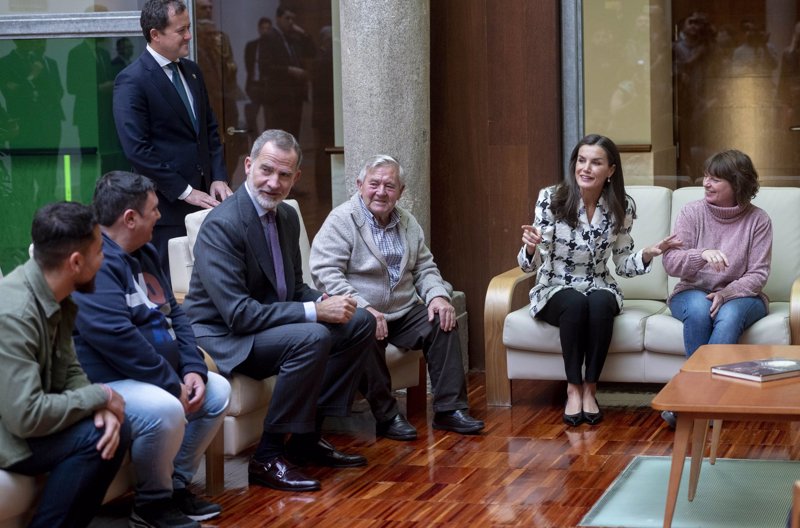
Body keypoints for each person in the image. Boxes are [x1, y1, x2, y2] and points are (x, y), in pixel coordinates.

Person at [183, 129, 375, 492]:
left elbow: (293, 288)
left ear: (296, 178)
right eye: (266, 171)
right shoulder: (221, 225)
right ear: (249, 165)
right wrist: (315, 312)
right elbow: (238, 314)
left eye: (284, 175)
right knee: (313, 334)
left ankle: (305, 438)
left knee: (359, 322)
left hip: (269, 327)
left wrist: (324, 301)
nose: (274, 183)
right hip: (225, 336)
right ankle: (267, 456)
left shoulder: (286, 216)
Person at [72, 171, 231, 528]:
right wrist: (170, 383)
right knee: (165, 408)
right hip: (109, 379)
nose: (160, 216)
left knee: (217, 391)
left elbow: (177, 313)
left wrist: (193, 368)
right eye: (154, 210)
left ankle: (174, 485)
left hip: (156, 373)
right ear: (130, 218)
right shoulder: (94, 262)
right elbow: (116, 338)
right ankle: (151, 505)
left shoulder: (144, 251)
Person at [310, 154, 485, 440]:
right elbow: (325, 272)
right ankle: (387, 416)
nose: (381, 192)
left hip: (403, 310)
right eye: (374, 184)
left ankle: (449, 410)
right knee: (361, 330)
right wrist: (364, 307)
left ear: (400, 192)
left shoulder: (407, 222)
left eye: (390, 186)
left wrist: (438, 296)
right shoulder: (342, 220)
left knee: (442, 318)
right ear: (359, 184)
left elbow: (424, 267)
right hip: (361, 312)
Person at [518, 134, 680, 427]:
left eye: (596, 162)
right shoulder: (552, 199)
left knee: (601, 301)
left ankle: (591, 388)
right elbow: (532, 263)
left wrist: (647, 254)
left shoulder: (621, 205)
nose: (586, 168)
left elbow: (622, 264)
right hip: (554, 286)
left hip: (598, 283)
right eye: (582, 161)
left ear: (611, 170)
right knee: (576, 303)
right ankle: (573, 388)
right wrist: (530, 247)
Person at [0, 201, 130, 528]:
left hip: (17, 420)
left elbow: (69, 369)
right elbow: (26, 416)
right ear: (76, 262)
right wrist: (100, 397)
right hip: (9, 429)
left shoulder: (56, 293)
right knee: (93, 437)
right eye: (100, 251)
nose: (103, 260)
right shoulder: (14, 314)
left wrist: (97, 405)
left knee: (113, 427)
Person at [113, 0, 232, 278]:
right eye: (181, 30)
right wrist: (187, 191)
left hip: (207, 207)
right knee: (172, 290)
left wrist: (218, 177)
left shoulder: (192, 71)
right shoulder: (132, 80)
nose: (189, 36)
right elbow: (137, 150)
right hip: (165, 210)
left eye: (188, 28)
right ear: (155, 34)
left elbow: (209, 130)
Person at [660, 149, 771, 428]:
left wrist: (726, 293)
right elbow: (671, 263)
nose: (706, 183)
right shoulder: (691, 212)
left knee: (729, 315)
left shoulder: (758, 220)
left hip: (742, 295)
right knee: (699, 309)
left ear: (738, 184)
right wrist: (701, 254)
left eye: (716, 179)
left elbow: (758, 274)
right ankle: (706, 402)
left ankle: (693, 401)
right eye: (706, 177)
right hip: (691, 291)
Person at [257, 4, 315, 139]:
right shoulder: (269, 37)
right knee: (280, 137)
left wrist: (303, 33)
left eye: (293, 19)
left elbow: (312, 52)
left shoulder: (293, 38)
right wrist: (289, 70)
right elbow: (265, 67)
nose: (290, 22)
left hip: (295, 96)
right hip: (279, 97)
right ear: (278, 18)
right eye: (287, 18)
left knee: (294, 136)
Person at [244, 17, 273, 142]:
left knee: (269, 118)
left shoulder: (274, 47)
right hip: (254, 84)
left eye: (268, 28)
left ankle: (266, 144)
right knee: (251, 117)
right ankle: (256, 142)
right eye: (263, 28)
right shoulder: (251, 46)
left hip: (269, 86)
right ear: (259, 29)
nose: (265, 31)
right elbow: (248, 65)